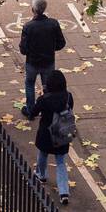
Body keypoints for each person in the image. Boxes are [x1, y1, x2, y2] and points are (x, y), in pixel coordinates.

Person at [27, 68, 73, 204]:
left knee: (43, 154)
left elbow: (33, 112)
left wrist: (31, 114)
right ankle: (64, 191)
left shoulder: (44, 100)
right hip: (62, 133)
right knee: (61, 162)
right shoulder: (68, 97)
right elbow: (70, 108)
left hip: (46, 134)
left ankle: (41, 175)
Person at [19, 0, 66, 115]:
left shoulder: (28, 27)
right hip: (48, 61)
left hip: (32, 62)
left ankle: (30, 110)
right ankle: (47, 110)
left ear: (33, 10)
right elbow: (61, 43)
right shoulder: (53, 24)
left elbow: (23, 49)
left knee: (30, 84)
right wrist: (51, 49)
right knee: (48, 87)